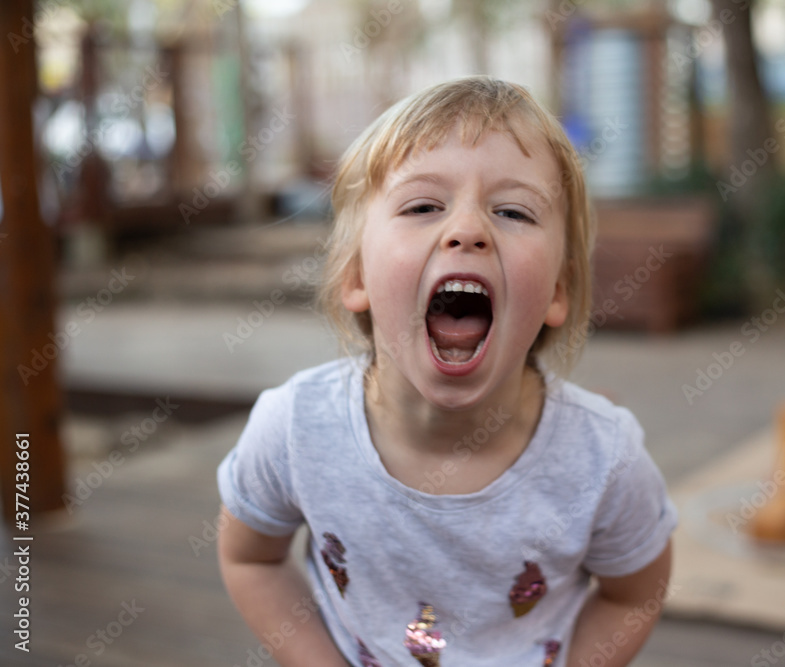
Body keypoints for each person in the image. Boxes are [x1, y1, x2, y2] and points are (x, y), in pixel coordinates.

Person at [216, 76, 677, 667]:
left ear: (557, 292)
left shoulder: (605, 458)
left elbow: (634, 594)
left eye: (512, 211)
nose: (468, 230)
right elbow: (250, 558)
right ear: (356, 276)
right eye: (423, 206)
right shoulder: (293, 429)